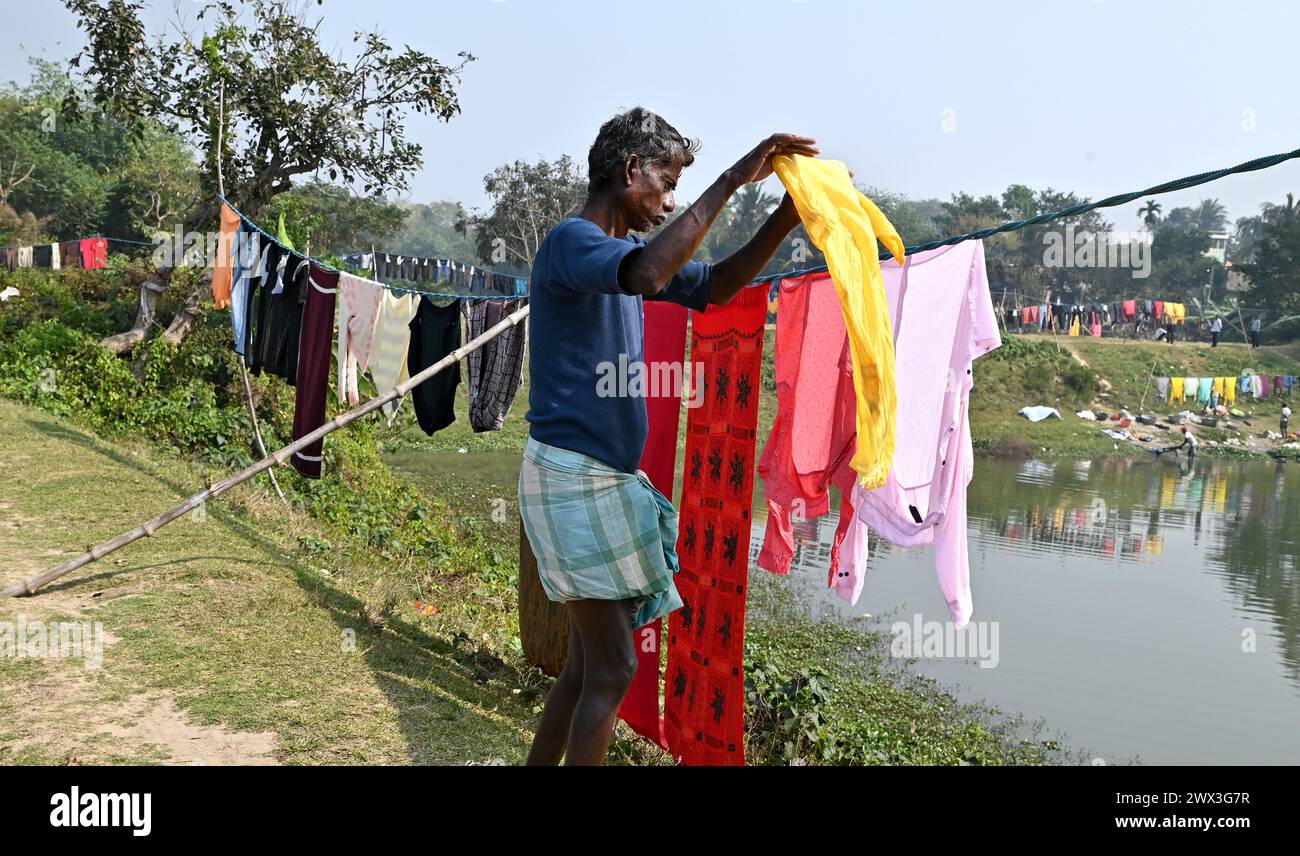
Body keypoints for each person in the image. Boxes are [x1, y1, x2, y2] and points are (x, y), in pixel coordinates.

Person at [519, 107, 818, 766]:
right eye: (669, 182)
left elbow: (716, 284)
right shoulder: (576, 244)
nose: (672, 200)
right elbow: (652, 274)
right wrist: (736, 178)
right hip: (575, 479)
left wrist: (789, 214)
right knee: (612, 671)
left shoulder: (619, 257)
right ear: (632, 171)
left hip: (591, 479)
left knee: (584, 665)